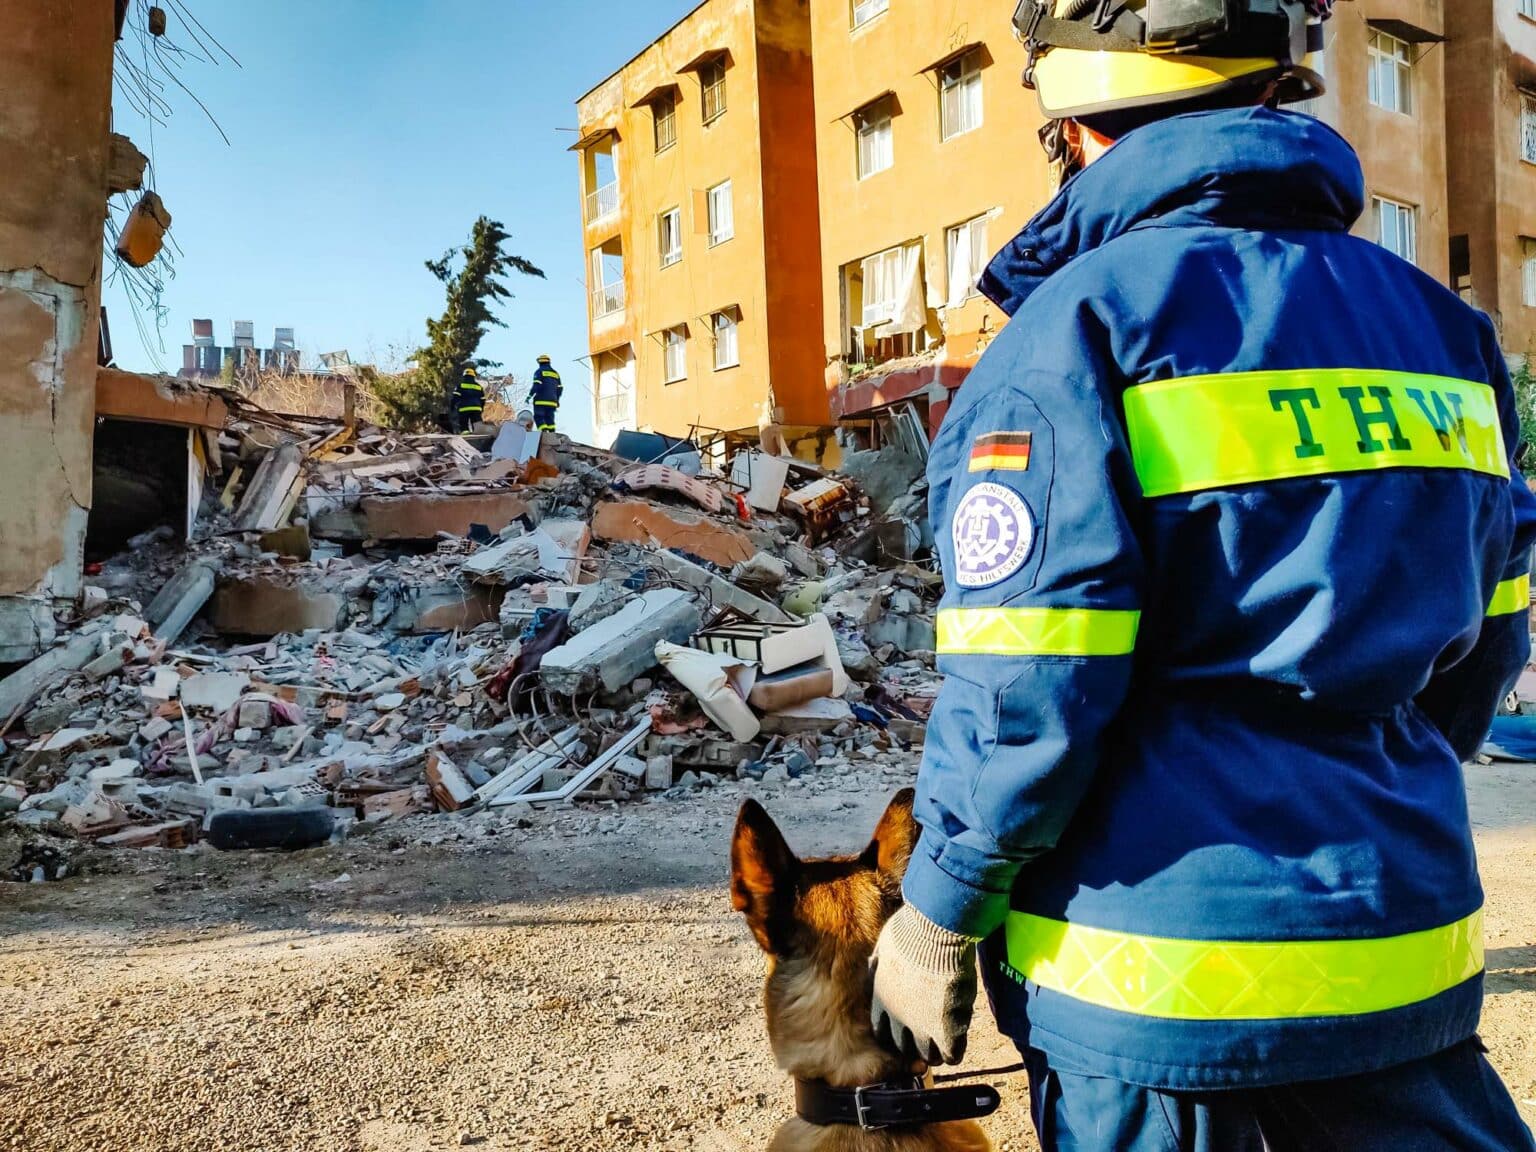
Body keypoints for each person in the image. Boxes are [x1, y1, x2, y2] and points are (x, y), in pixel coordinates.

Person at [868, 1, 1536, 1148]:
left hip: (1158, 1002)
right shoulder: (1447, 332)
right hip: (1403, 962)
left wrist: (941, 906)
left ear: (1071, 127)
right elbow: (1490, 640)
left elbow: (1033, 685)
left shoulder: (1072, 334)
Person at [529, 356, 563, 433]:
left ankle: (543, 432)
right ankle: (552, 433)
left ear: (539, 363)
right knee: (550, 419)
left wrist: (529, 396)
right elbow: (560, 388)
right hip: (552, 402)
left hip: (540, 401)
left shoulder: (539, 371)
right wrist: (557, 400)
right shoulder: (555, 373)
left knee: (539, 417)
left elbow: (536, 385)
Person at [452, 366, 485, 433]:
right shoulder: (479, 386)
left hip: (464, 409)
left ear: (464, 376)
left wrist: (453, 407)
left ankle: (466, 436)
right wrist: (481, 408)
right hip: (476, 409)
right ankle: (478, 438)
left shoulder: (460, 385)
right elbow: (482, 399)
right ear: (473, 376)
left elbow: (455, 398)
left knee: (464, 427)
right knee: (477, 427)